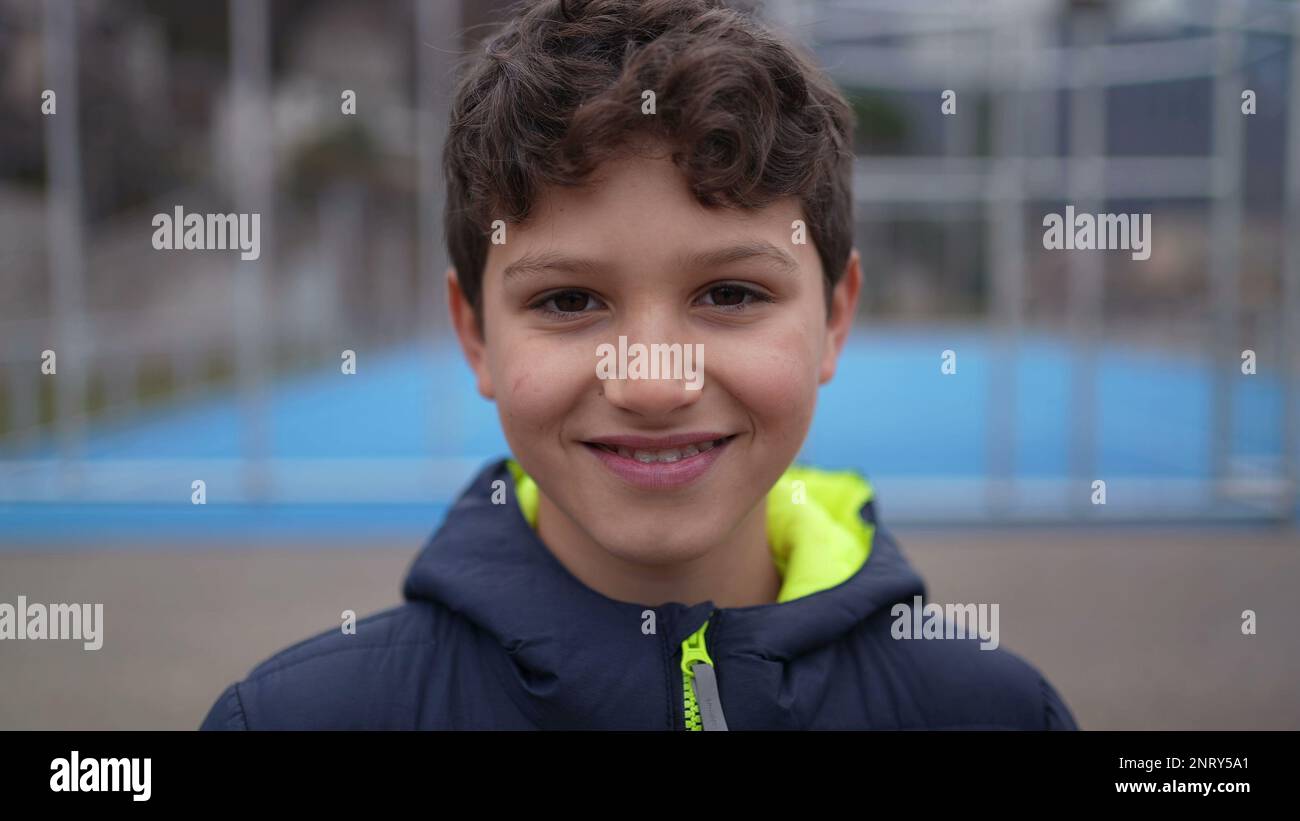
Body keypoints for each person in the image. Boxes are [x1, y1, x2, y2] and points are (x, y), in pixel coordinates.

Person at [201, 0, 1077, 730]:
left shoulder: (995, 712)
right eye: (569, 301)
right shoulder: (295, 718)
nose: (653, 382)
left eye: (730, 295)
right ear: (475, 336)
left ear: (836, 317)